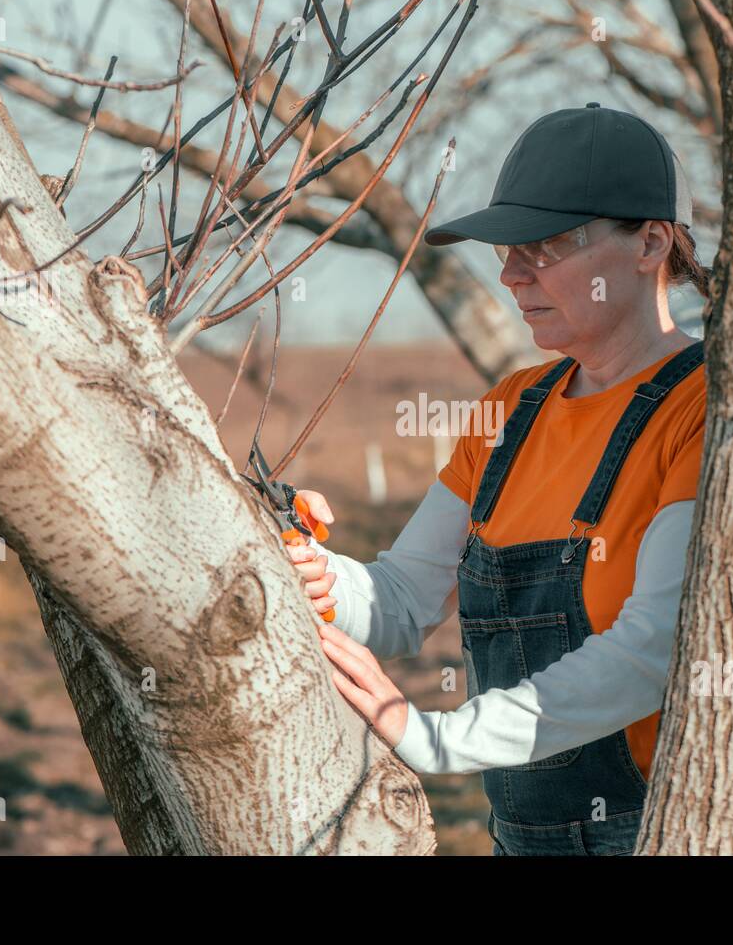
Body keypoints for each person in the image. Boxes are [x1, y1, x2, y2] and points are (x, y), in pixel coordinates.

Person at [290, 103, 709, 856]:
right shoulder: (510, 409)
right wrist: (302, 567)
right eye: (508, 249)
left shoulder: (703, 405)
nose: (512, 274)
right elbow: (401, 600)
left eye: (546, 245)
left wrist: (439, 739)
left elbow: (653, 650)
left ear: (650, 243)